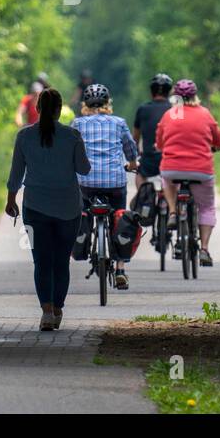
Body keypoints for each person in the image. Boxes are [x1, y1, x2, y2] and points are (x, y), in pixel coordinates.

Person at [5, 87, 90, 331]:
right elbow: (84, 169)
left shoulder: (24, 137)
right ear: (59, 110)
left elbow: (16, 174)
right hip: (68, 208)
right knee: (61, 261)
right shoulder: (72, 136)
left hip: (35, 207)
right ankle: (58, 308)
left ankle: (47, 311)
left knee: (41, 261)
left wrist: (11, 200)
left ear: (38, 109)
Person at [72, 83, 139, 289]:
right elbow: (130, 148)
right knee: (119, 214)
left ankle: (82, 234)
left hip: (86, 182)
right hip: (114, 182)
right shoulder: (119, 123)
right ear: (108, 103)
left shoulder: (77, 124)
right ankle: (120, 268)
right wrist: (133, 164)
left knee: (82, 211)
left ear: (84, 104)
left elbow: (70, 150)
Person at [154, 78, 220, 267]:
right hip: (201, 170)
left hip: (172, 168)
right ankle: (204, 250)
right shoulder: (205, 114)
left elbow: (159, 142)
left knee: (167, 181)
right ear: (195, 96)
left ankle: (171, 212)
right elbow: (217, 139)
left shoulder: (170, 114)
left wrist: (161, 146)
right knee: (207, 207)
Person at [133, 72, 174, 189]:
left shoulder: (142, 109)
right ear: (169, 92)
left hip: (149, 158)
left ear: (152, 92)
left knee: (140, 174)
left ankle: (143, 197)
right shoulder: (174, 109)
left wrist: (136, 154)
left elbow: (135, 138)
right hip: (170, 158)